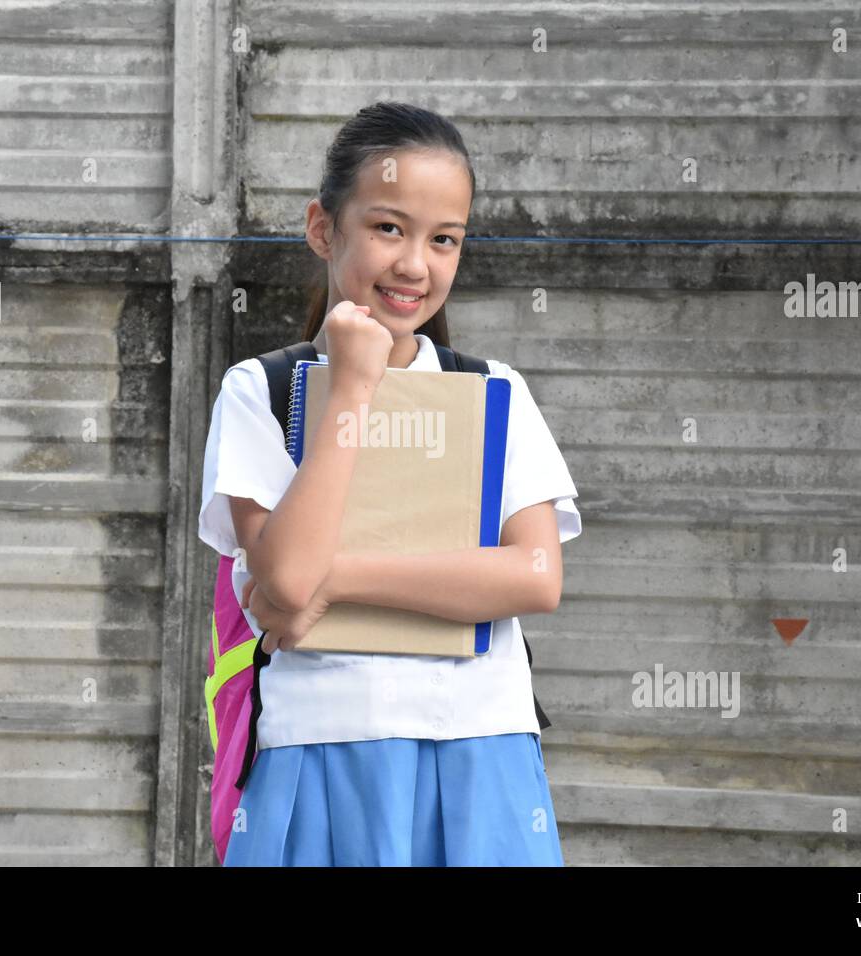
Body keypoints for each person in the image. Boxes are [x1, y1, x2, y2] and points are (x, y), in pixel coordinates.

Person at [198, 101, 582, 866]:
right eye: (388, 228)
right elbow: (284, 575)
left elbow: (535, 577)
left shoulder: (492, 392)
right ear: (323, 228)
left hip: (484, 749)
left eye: (445, 240)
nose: (416, 264)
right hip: (321, 748)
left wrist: (333, 582)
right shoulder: (262, 390)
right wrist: (349, 390)